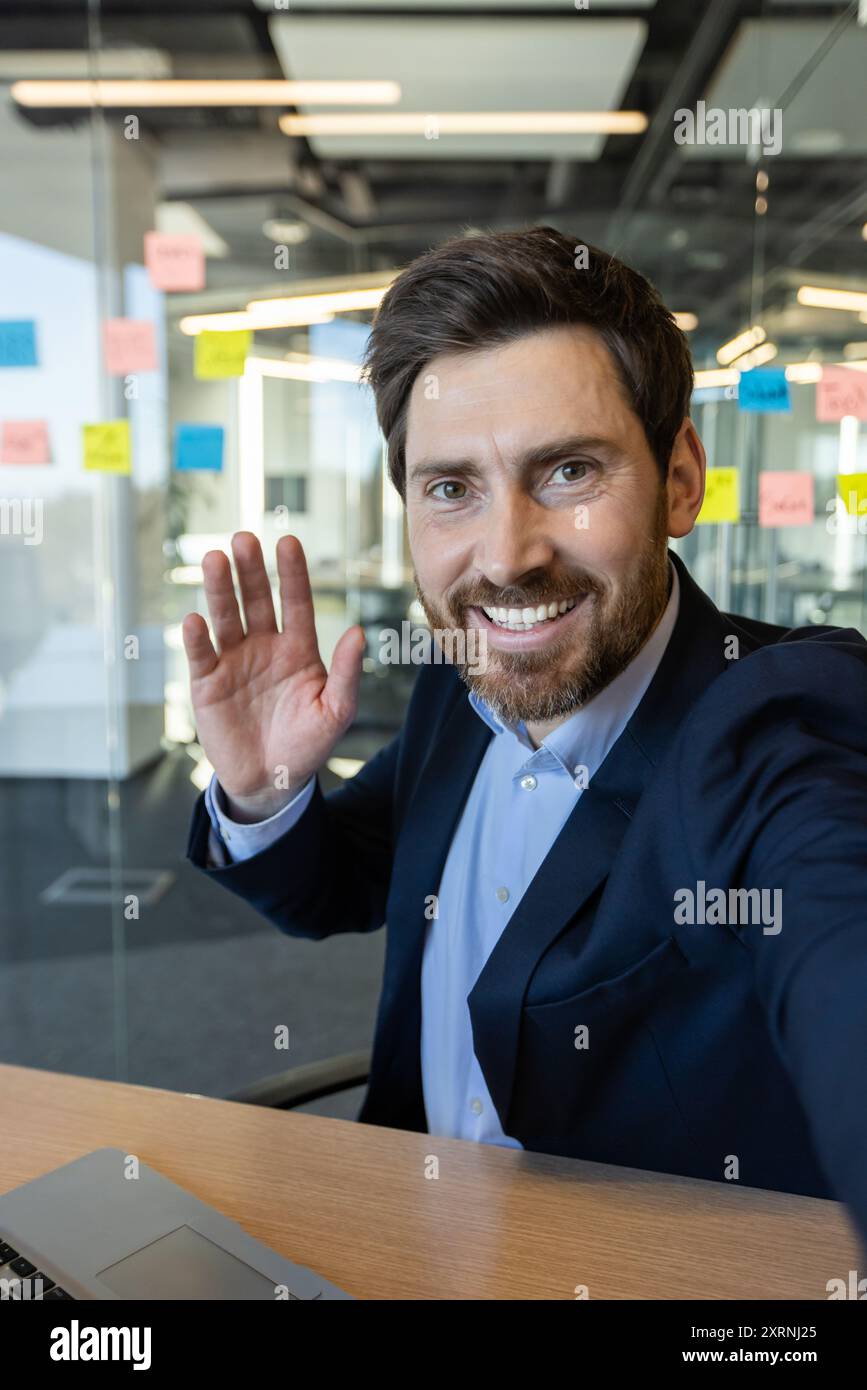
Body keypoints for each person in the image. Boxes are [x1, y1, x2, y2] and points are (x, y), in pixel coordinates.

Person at [183, 227, 867, 1244]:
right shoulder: (461, 691)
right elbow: (345, 881)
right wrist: (268, 792)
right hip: (397, 1237)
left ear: (681, 479)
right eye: (452, 488)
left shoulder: (772, 724)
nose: (506, 556)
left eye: (569, 471)